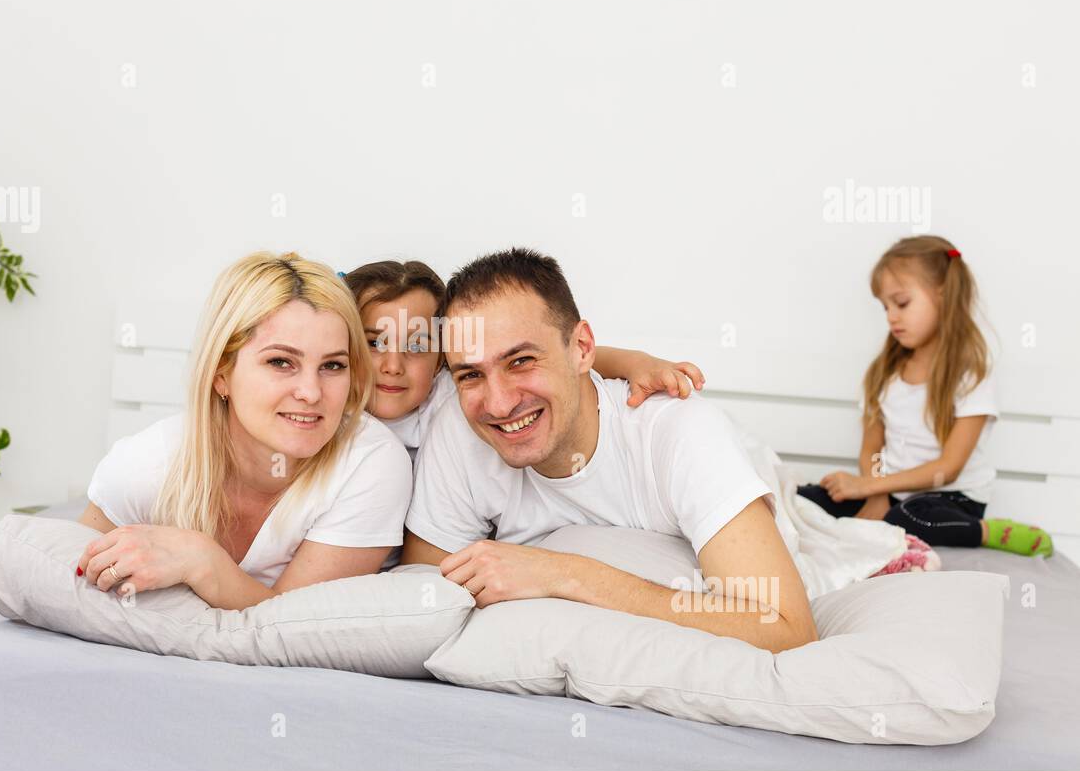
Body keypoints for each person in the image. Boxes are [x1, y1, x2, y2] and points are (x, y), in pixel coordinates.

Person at [400, 247, 818, 653]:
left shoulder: (680, 433)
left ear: (582, 348)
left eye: (521, 361)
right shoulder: (460, 426)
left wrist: (565, 574)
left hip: (761, 478)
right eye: (471, 374)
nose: (499, 404)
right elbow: (421, 599)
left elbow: (786, 629)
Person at [75, 251, 414, 609]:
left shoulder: (370, 463)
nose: (311, 393)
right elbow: (65, 576)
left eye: (332, 365)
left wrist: (201, 560)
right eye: (281, 362)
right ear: (222, 373)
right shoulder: (147, 464)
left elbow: (295, 627)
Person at [799, 235, 1053, 557]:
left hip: (952, 497)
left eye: (901, 303)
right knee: (807, 498)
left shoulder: (970, 375)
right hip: (889, 490)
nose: (891, 316)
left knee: (907, 518)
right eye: (885, 307)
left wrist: (872, 488)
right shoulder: (885, 373)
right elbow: (872, 448)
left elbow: (949, 468)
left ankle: (988, 531)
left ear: (944, 295)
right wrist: (873, 492)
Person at [341, 259, 706, 464]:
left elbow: (560, 358)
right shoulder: (326, 407)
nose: (391, 365)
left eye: (417, 346)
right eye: (374, 343)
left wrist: (633, 362)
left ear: (442, 360)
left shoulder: (454, 400)